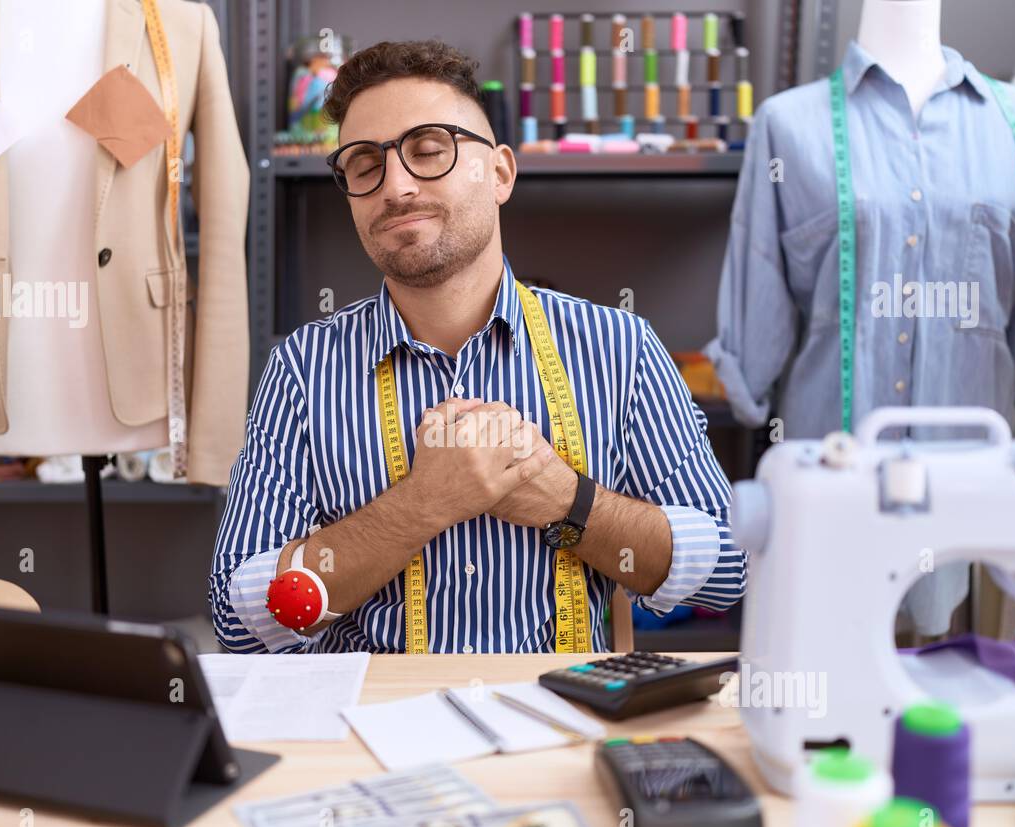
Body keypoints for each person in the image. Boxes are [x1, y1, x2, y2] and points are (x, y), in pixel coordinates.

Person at [210, 39, 746, 653]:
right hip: (368, 736)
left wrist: (567, 501)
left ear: (500, 174)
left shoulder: (618, 347)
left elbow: (726, 571)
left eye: (429, 150)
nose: (397, 186)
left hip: (559, 728)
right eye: (364, 164)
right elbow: (239, 619)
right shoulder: (302, 370)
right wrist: (424, 503)